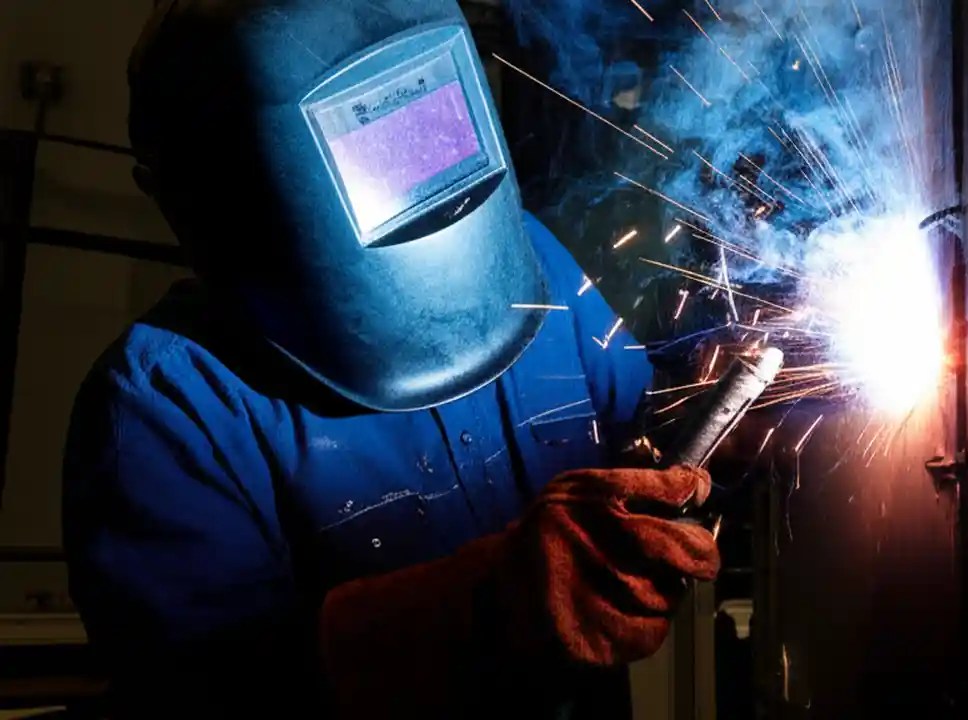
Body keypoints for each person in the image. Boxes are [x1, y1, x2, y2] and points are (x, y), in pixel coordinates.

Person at [60, 1, 719, 717]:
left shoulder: (531, 269)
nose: (419, 185)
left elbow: (650, 436)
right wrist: (487, 607)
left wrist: (728, 418)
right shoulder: (167, 411)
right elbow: (199, 694)